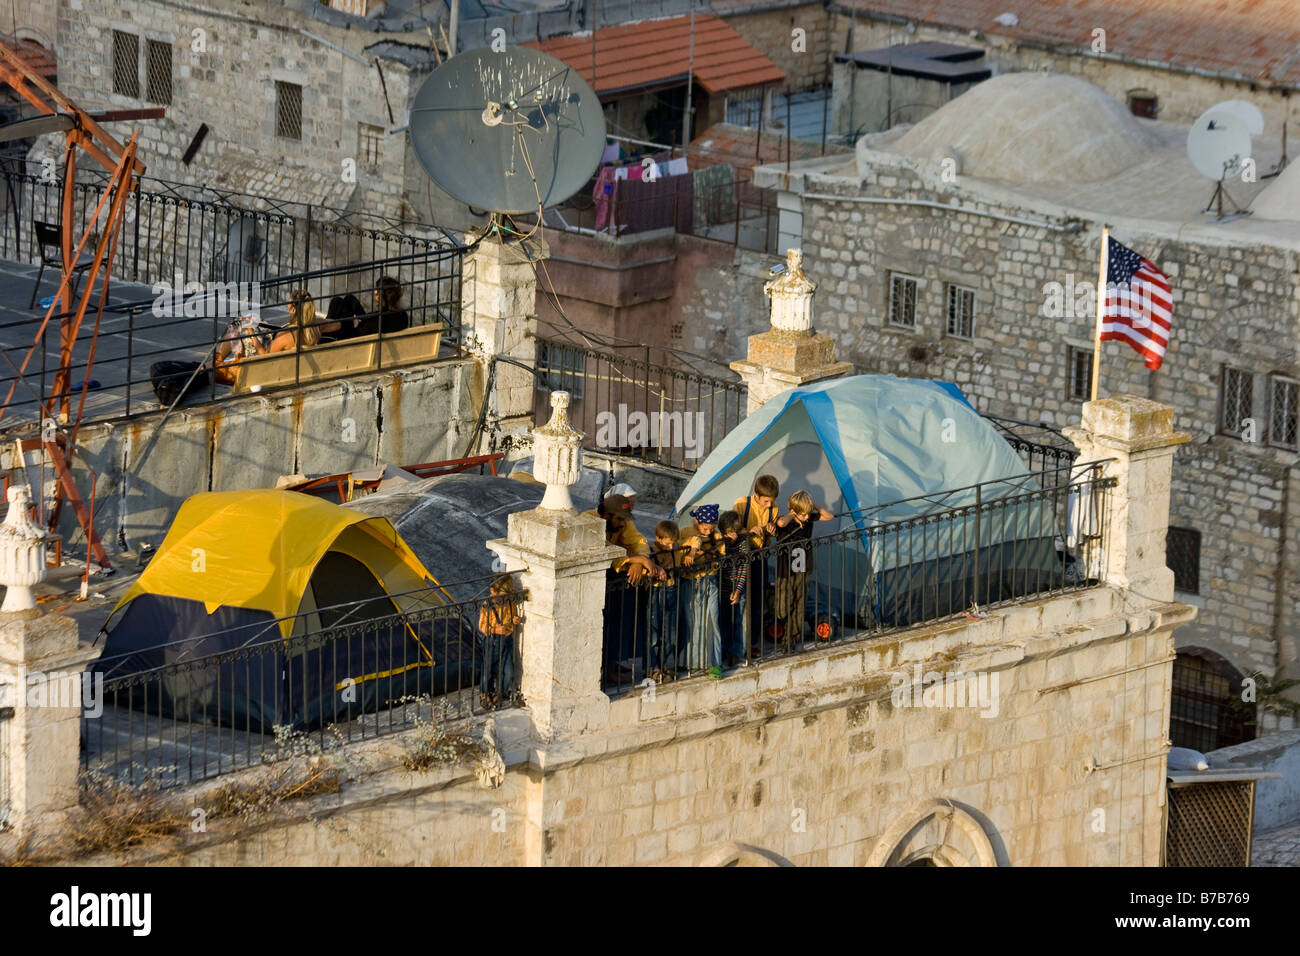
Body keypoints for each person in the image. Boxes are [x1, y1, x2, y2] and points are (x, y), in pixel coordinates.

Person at [591, 494, 656, 683]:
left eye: (624, 519)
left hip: (616, 577)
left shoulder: (623, 523)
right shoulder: (590, 521)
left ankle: (612, 663)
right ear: (606, 515)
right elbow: (605, 550)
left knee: (621, 620)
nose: (622, 524)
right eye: (619, 519)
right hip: (598, 580)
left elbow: (639, 542)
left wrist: (638, 562)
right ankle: (604, 669)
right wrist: (637, 560)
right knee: (605, 624)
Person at [772, 491, 834, 650]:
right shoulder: (787, 520)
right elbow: (780, 524)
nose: (807, 517)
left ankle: (791, 639)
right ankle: (783, 625)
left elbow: (829, 517)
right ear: (794, 511)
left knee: (799, 602)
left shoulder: (808, 518)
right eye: (803, 514)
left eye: (808, 514)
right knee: (783, 606)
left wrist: (813, 506)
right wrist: (793, 515)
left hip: (803, 567)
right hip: (786, 569)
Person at [733, 474, 780, 656]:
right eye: (766, 501)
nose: (769, 505)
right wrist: (748, 531)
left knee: (758, 601)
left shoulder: (773, 509)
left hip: (760, 556)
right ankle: (737, 644)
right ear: (757, 495)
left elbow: (775, 532)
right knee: (740, 600)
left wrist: (772, 529)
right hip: (741, 556)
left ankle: (752, 644)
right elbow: (732, 529)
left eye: (771, 502)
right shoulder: (741, 504)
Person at [682, 503, 725, 677]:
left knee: (712, 622)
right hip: (691, 582)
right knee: (692, 622)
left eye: (711, 528)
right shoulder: (685, 532)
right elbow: (682, 545)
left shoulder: (717, 536)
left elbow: (721, 553)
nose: (708, 532)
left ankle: (715, 664)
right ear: (696, 522)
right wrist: (694, 546)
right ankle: (691, 663)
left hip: (710, 580)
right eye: (704, 528)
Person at [477, 573, 521, 708]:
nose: (493, 596)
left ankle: (500, 691)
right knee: (488, 669)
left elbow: (512, 618)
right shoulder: (487, 605)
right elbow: (482, 626)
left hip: (506, 639)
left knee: (508, 669)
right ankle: (485, 693)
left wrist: (515, 621)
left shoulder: (509, 602)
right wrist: (495, 630)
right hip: (492, 640)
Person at [647, 519, 682, 682]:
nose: (670, 547)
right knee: (653, 634)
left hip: (672, 589)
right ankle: (652, 668)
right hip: (657, 592)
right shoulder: (651, 550)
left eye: (672, 544)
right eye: (667, 544)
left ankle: (661, 665)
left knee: (671, 633)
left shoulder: (675, 548)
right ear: (658, 538)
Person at [718, 510, 751, 668]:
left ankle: (737, 653)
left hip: (738, 588)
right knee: (724, 621)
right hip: (722, 588)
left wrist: (738, 590)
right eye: (725, 532)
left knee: (739, 622)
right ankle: (724, 650)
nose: (728, 536)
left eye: (731, 533)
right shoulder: (720, 543)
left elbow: (743, 569)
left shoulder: (743, 543)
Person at [256, 289, 321, 355]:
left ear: (293, 310)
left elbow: (265, 357)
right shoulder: (316, 330)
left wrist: (250, 331)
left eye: (288, 303)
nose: (287, 306)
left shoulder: (284, 335)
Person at [209, 314, 267, 386]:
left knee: (213, 371)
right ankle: (207, 367)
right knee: (211, 365)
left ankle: (205, 370)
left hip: (252, 368)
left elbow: (265, 356)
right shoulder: (236, 334)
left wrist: (250, 331)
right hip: (244, 360)